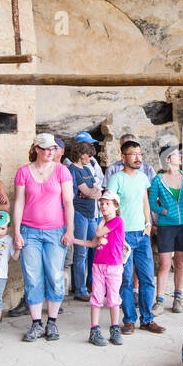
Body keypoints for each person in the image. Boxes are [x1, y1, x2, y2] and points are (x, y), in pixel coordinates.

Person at [12, 132, 74, 342]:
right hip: (30, 231)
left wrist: (70, 230)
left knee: (55, 276)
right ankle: (36, 323)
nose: (51, 152)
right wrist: (16, 232)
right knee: (32, 277)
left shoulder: (61, 171)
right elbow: (19, 203)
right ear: (37, 149)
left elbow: (68, 203)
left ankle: (53, 322)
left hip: (56, 231)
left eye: (53, 148)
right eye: (47, 148)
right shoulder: (23, 172)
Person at [107, 139, 165, 335]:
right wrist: (117, 232)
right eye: (133, 154)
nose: (138, 157)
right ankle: (129, 319)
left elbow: (145, 202)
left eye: (140, 154)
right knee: (124, 280)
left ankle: (147, 319)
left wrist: (148, 224)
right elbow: (110, 208)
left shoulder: (142, 178)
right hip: (123, 236)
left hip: (142, 234)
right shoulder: (116, 179)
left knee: (147, 278)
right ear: (123, 157)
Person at [71, 190, 125, 346]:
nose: (103, 206)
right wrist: (74, 240)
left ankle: (114, 328)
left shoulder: (117, 221)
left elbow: (99, 232)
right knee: (97, 297)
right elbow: (93, 243)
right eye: (101, 204)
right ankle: (94, 329)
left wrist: (101, 220)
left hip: (113, 266)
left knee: (114, 299)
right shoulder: (103, 224)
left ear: (116, 206)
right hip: (99, 265)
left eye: (108, 204)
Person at [149, 143, 183, 315]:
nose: (180, 156)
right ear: (167, 159)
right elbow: (152, 203)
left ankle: (178, 298)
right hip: (166, 226)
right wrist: (163, 211)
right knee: (165, 264)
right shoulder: (158, 180)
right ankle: (159, 300)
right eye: (176, 154)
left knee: (180, 262)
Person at [66, 141, 104, 301]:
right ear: (81, 154)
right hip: (79, 213)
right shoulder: (73, 170)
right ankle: (80, 289)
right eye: (88, 154)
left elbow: (97, 190)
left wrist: (91, 193)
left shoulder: (87, 169)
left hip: (91, 213)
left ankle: (92, 284)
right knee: (81, 252)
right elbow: (88, 191)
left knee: (96, 246)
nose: (90, 158)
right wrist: (90, 193)